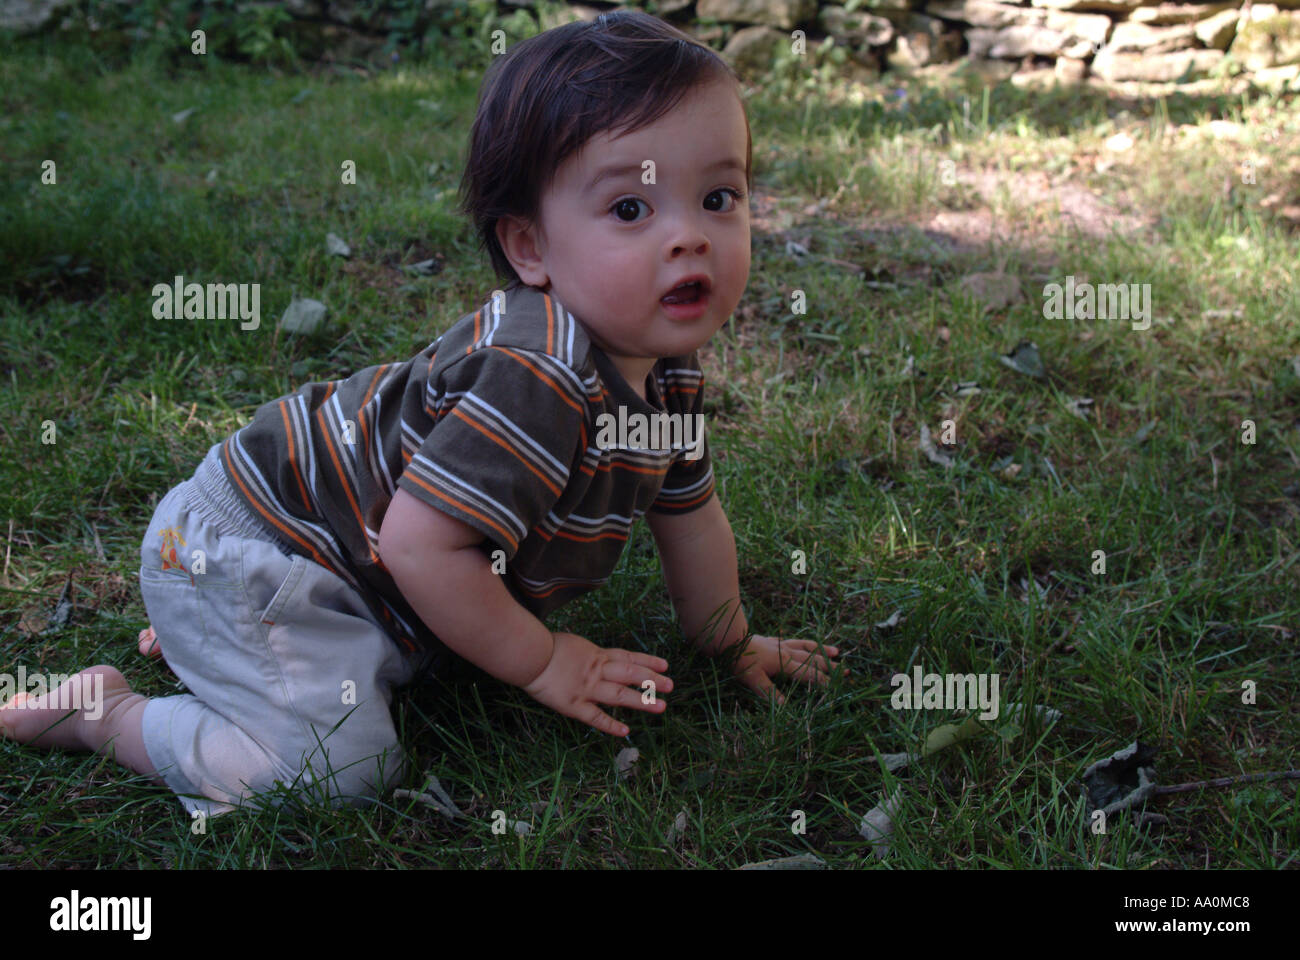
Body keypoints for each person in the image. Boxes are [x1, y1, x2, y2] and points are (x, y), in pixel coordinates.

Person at [0, 10, 845, 817]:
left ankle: (224, 640)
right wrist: (544, 661)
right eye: (631, 208)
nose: (689, 237)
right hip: (251, 548)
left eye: (720, 198)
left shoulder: (663, 370)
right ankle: (111, 714)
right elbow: (415, 543)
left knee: (386, 657)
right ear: (529, 248)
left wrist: (728, 641)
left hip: (326, 567)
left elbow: (688, 512)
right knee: (338, 772)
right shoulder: (538, 375)